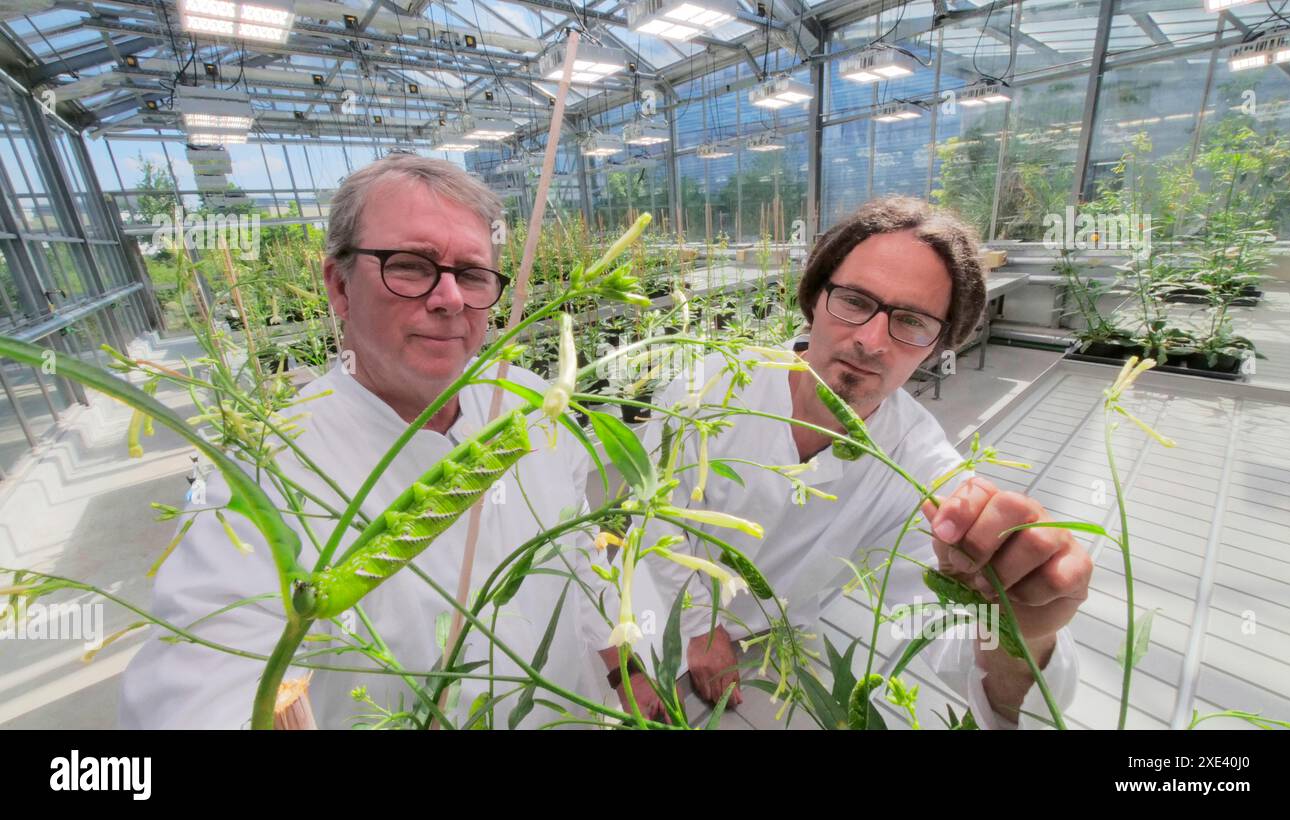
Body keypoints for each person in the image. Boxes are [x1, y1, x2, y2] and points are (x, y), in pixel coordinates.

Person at [120, 154, 598, 729]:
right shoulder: (263, 477)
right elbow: (191, 702)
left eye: (471, 274)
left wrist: (631, 666)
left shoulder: (535, 405)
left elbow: (586, 549)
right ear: (339, 285)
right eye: (410, 266)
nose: (448, 298)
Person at [609, 197, 1092, 729]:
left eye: (911, 321)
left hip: (767, 648)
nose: (870, 340)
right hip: (641, 608)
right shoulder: (712, 387)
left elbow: (953, 640)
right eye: (855, 301)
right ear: (815, 299)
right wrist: (698, 626)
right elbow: (650, 515)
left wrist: (1020, 634)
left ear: (937, 347)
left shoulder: (920, 468)